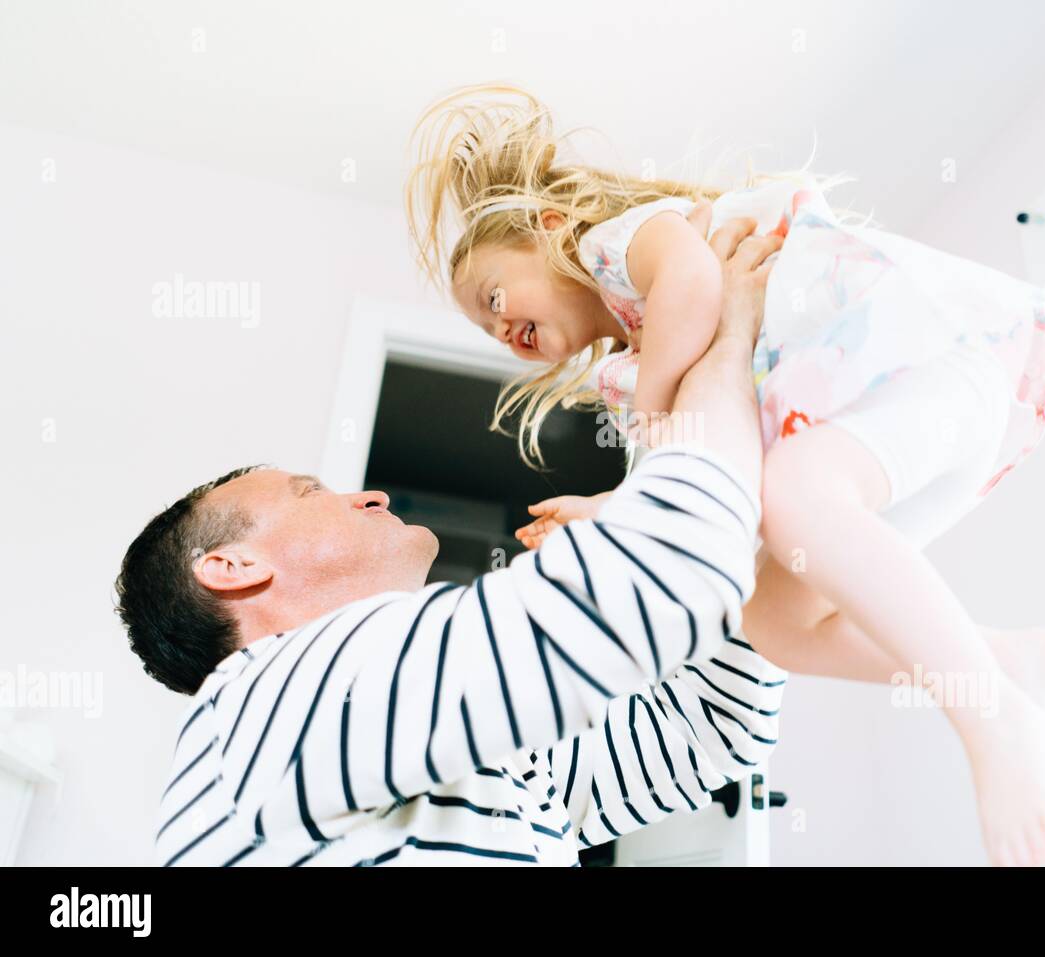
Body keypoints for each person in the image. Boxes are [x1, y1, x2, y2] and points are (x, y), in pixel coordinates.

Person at [405, 83, 1045, 866]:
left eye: (495, 297)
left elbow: (696, 284)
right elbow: (705, 475)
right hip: (899, 413)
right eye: (490, 331)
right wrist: (619, 505)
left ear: (551, 228)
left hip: (930, 357)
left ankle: (992, 722)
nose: (502, 328)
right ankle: (1006, 661)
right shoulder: (639, 358)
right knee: (774, 618)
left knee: (796, 495)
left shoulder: (619, 249)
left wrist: (655, 420)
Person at [115, 209, 785, 866]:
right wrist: (727, 348)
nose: (371, 494)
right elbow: (681, 568)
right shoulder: (255, 712)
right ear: (232, 565)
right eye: (309, 491)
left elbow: (707, 730)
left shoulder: (485, 755)